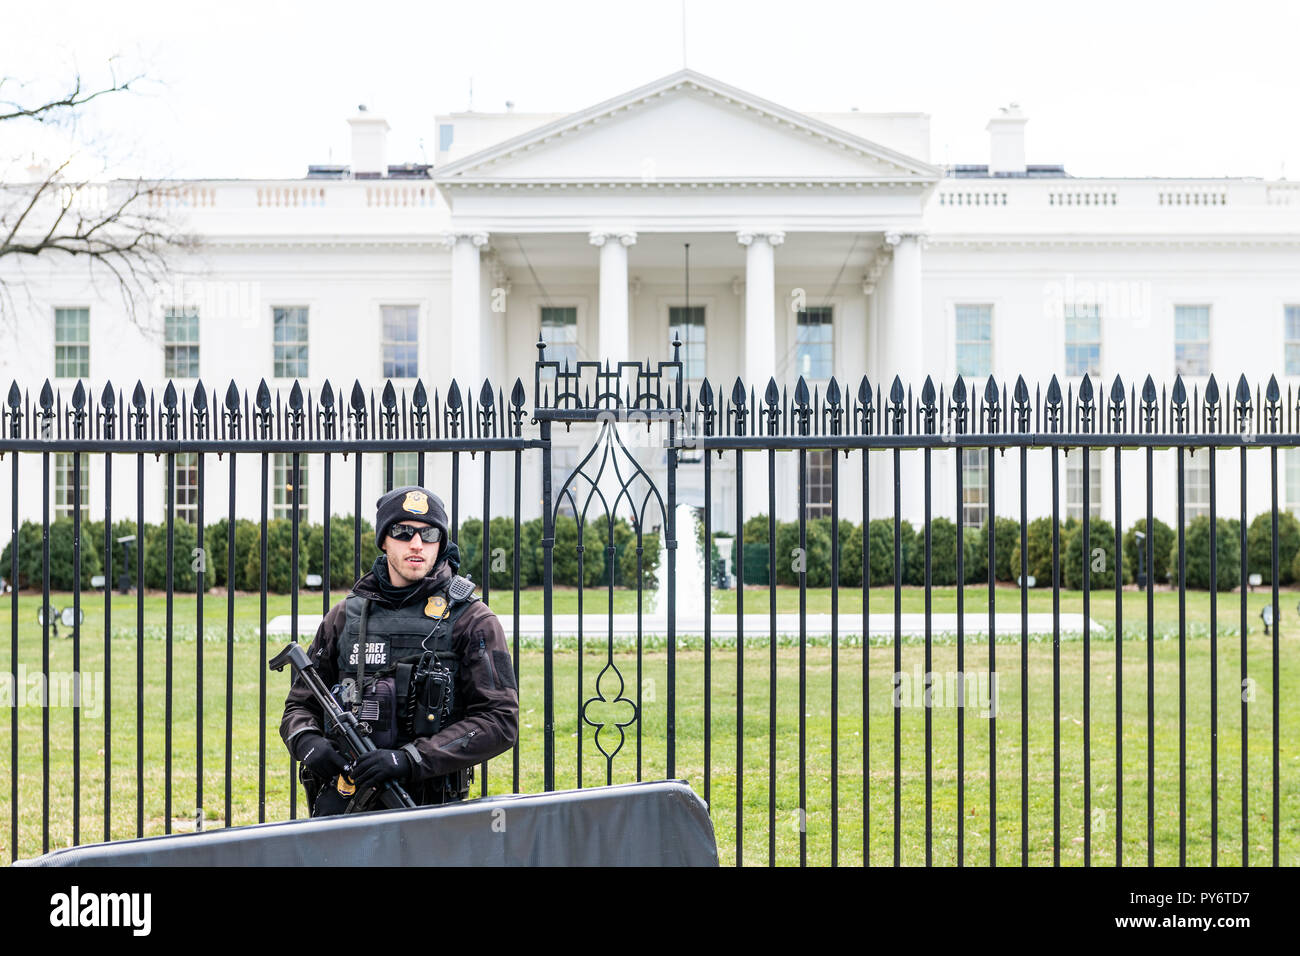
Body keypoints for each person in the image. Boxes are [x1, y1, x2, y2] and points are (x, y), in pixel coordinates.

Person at [280, 485, 518, 814]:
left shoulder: (473, 619)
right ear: (384, 540)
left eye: (429, 533)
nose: (417, 544)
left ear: (441, 542)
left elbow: (500, 721)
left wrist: (410, 759)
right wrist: (307, 741)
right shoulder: (344, 617)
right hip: (345, 804)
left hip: (430, 806)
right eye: (403, 532)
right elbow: (298, 707)